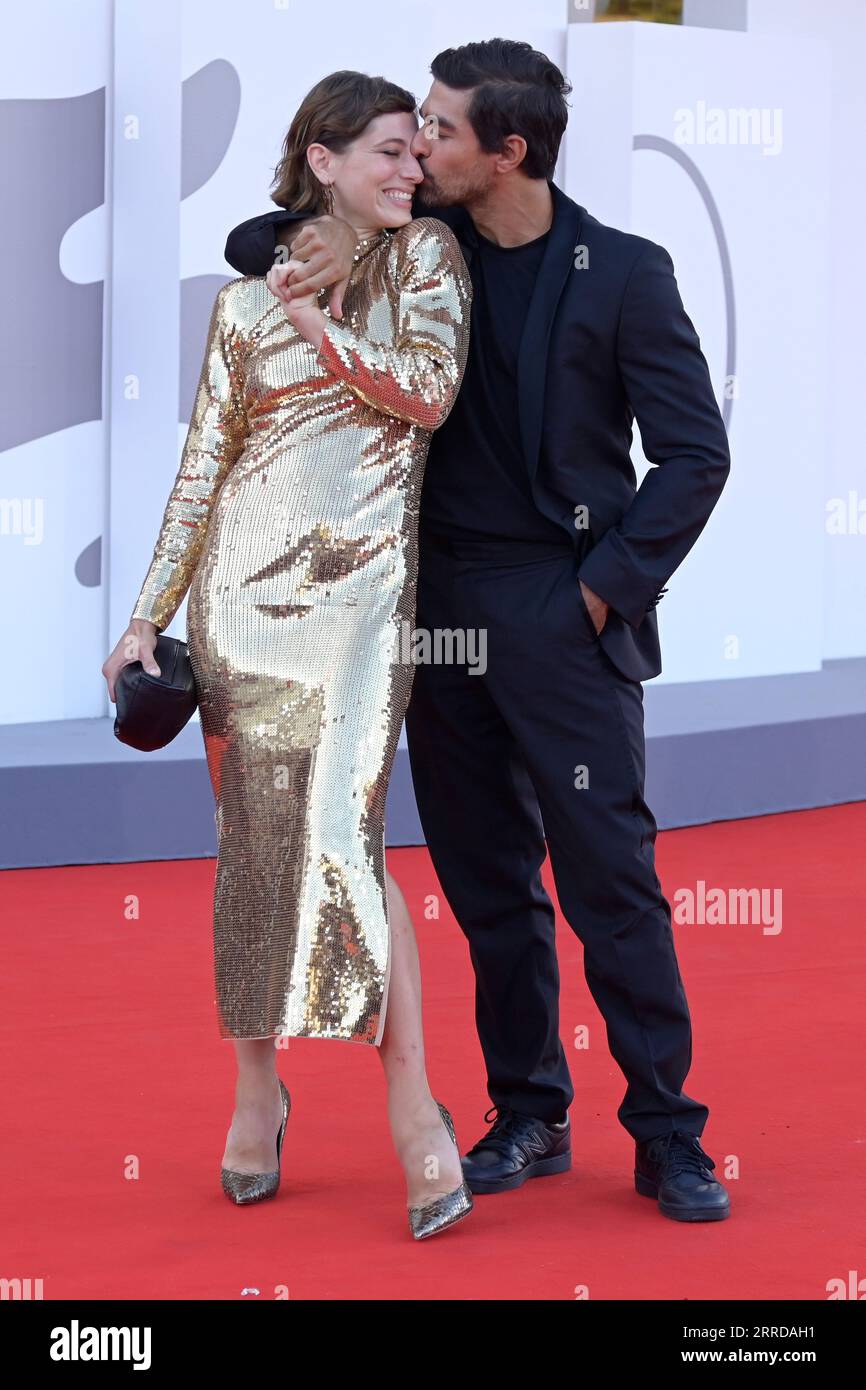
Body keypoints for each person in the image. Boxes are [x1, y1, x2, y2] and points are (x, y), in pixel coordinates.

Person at [223, 38, 733, 1223]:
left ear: (506, 151)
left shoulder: (624, 272)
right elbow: (265, 238)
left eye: (441, 130)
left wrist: (602, 588)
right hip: (433, 611)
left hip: (559, 609)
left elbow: (694, 455)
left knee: (612, 880)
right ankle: (528, 1112)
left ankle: (667, 1134)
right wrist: (298, 243)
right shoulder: (407, 251)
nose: (420, 143)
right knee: (486, 883)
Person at [102, 70, 474, 1241]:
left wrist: (319, 319)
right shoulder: (236, 307)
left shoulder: (425, 267)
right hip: (242, 609)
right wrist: (143, 613)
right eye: (389, 151)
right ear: (321, 158)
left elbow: (425, 399)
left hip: (362, 603)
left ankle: (413, 1104)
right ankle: (257, 1085)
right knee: (254, 852)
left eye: (418, 152)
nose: (413, 170)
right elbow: (202, 471)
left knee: (341, 842)